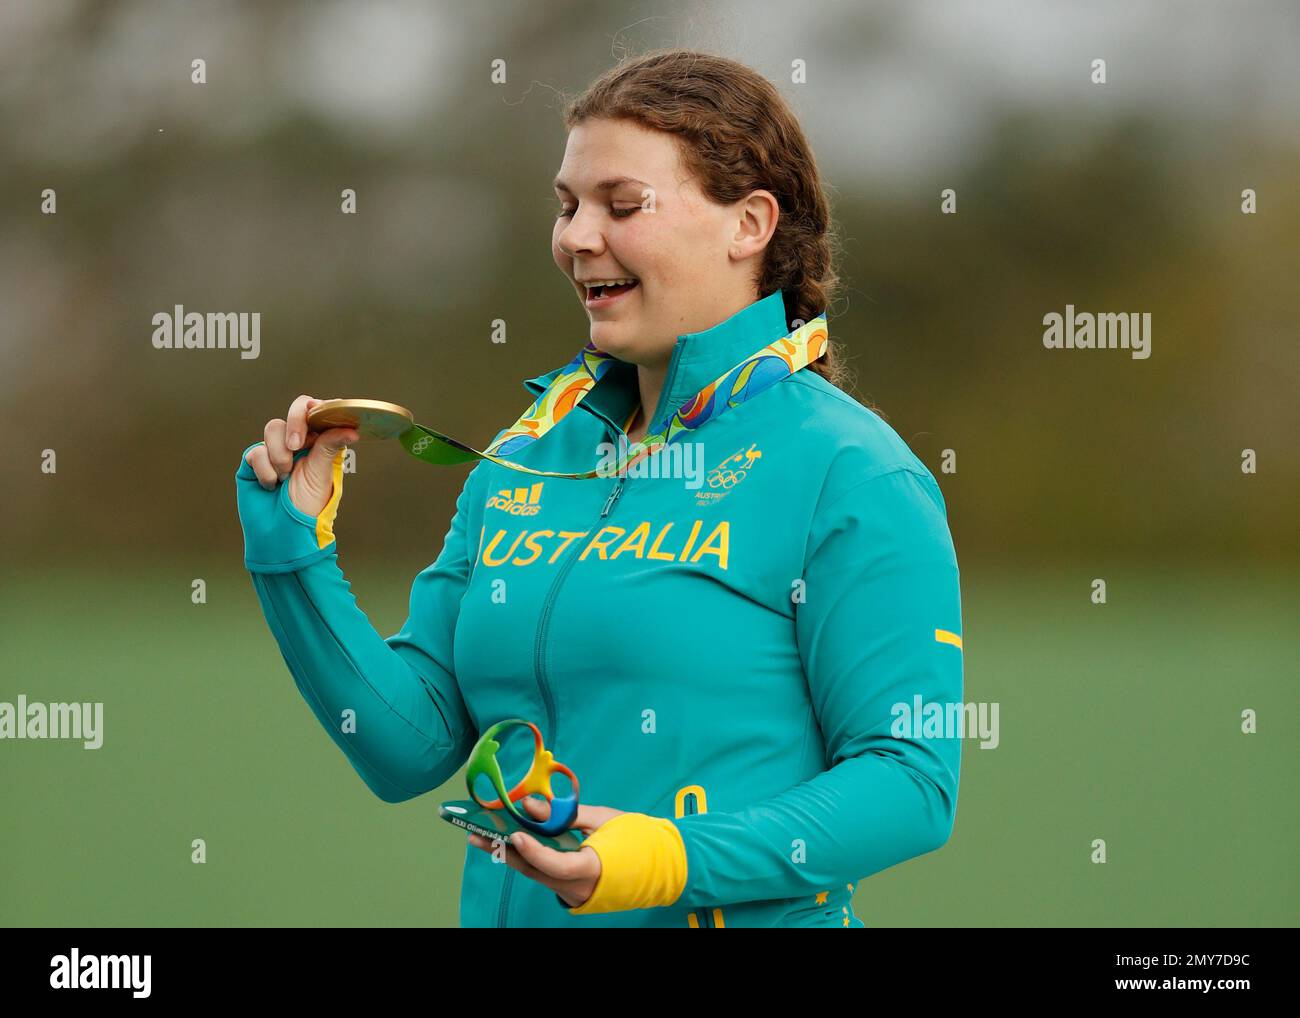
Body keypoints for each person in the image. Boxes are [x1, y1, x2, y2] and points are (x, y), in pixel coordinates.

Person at [234, 48, 963, 928]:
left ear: (751, 224)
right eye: (569, 205)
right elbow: (407, 745)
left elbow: (911, 783)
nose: (578, 237)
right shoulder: (529, 454)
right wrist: (292, 552)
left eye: (623, 205)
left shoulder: (851, 470)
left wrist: (666, 860)